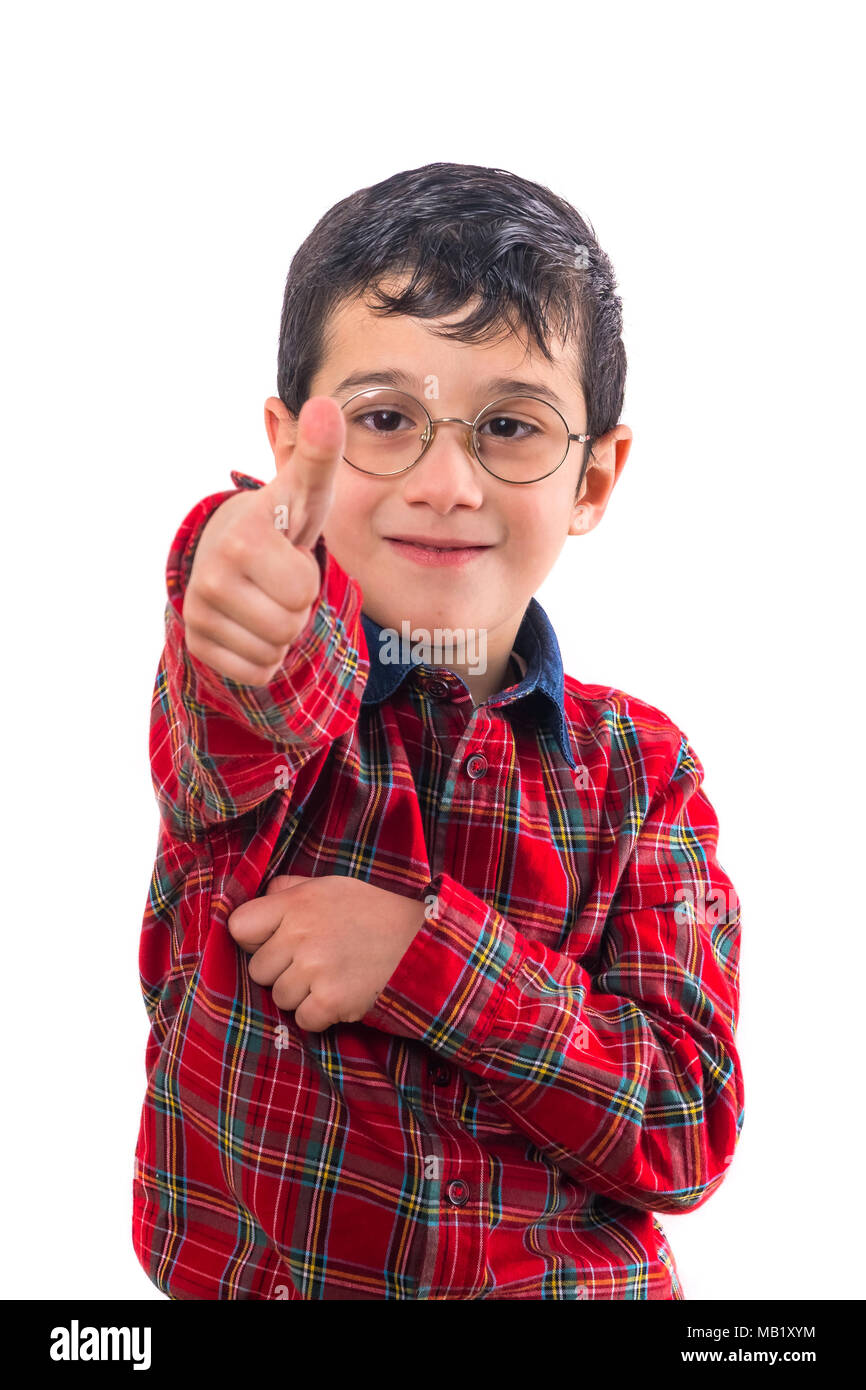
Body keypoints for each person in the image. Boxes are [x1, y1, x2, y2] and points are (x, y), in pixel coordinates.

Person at [132, 161, 744, 1300]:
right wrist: (225, 560)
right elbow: (255, 671)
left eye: (509, 426)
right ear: (289, 446)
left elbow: (682, 1124)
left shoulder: (643, 771)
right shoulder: (268, 700)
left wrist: (426, 956)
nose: (446, 480)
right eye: (383, 420)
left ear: (593, 478)